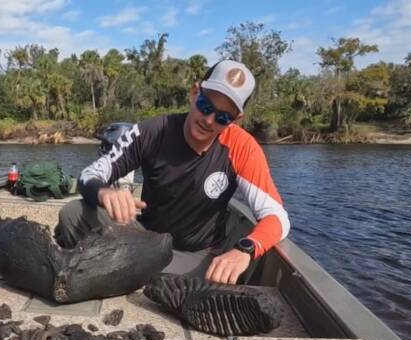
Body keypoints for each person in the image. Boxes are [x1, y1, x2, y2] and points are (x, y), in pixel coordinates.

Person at [55, 60, 290, 284]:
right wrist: (104, 192)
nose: (208, 120)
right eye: (205, 106)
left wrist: (244, 250)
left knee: (204, 279)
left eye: (222, 117)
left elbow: (276, 217)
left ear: (236, 120)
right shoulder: (152, 131)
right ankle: (125, 270)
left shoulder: (242, 148)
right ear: (194, 92)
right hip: (143, 237)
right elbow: (89, 175)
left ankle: (117, 270)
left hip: (195, 255)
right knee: (72, 214)